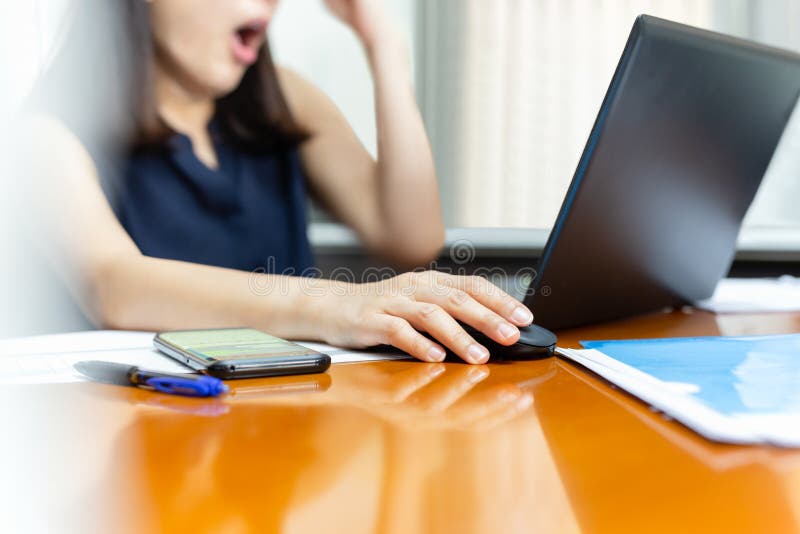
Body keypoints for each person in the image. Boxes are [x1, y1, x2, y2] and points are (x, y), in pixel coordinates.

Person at [27, 0, 534, 364]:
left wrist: (384, 46)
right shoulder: (42, 136)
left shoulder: (284, 99)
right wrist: (340, 304)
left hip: (290, 411)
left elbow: (411, 239)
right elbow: (114, 286)